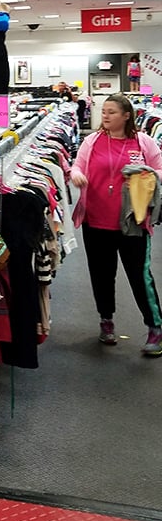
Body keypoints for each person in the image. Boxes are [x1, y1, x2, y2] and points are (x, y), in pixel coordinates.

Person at [71, 93, 162, 355]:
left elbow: (159, 170)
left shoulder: (143, 143)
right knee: (102, 274)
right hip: (96, 221)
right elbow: (76, 166)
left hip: (133, 222)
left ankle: (155, 327)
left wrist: (146, 173)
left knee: (140, 276)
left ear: (126, 115)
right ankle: (106, 321)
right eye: (104, 111)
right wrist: (76, 175)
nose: (106, 115)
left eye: (112, 112)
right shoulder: (92, 141)